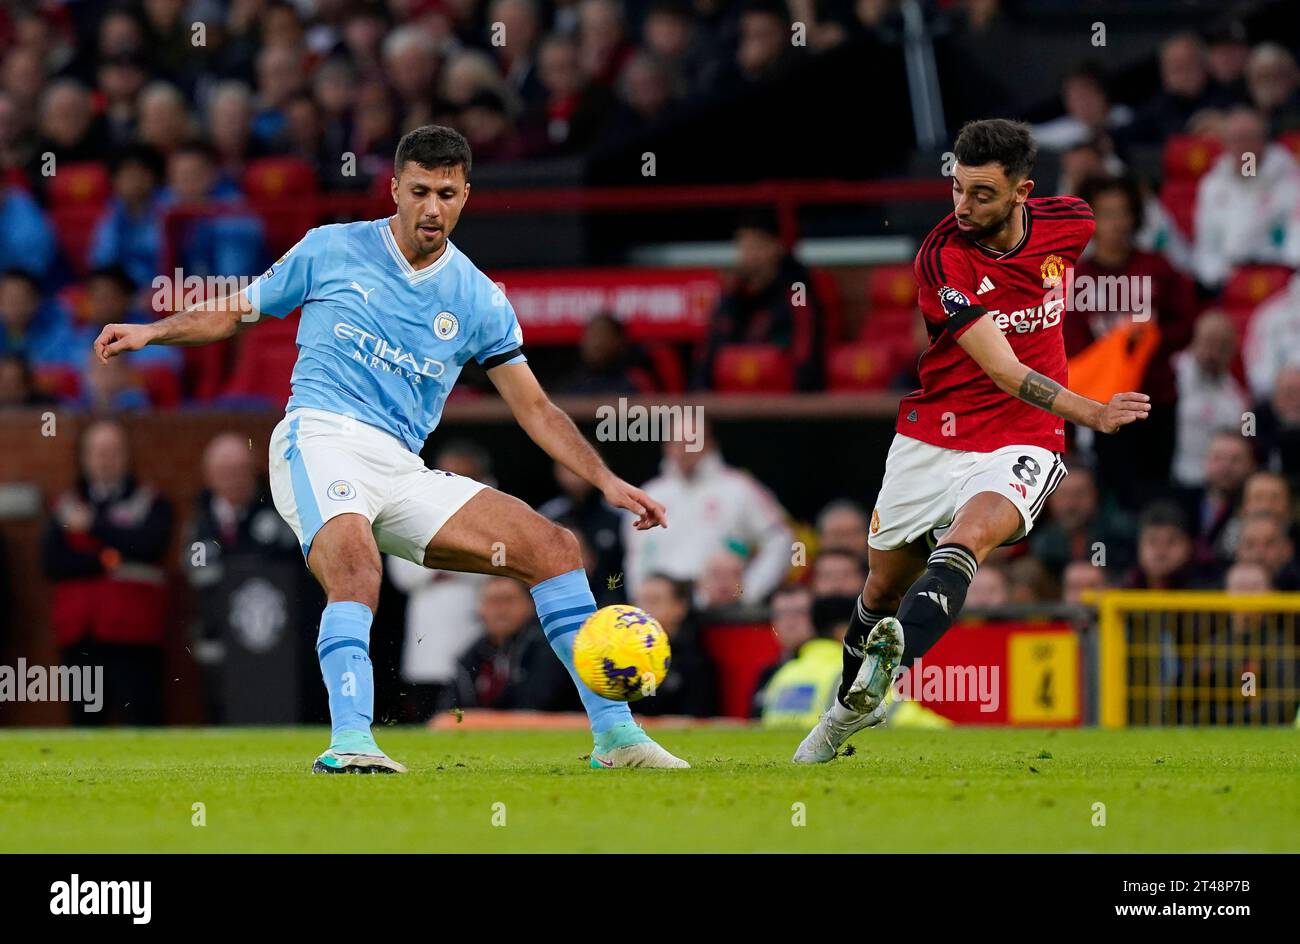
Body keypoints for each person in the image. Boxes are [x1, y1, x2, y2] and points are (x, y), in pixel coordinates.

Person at [93, 125, 687, 772]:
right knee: (356, 562)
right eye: (422, 191)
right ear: (396, 188)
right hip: (319, 436)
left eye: (449, 194)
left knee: (555, 547)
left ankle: (618, 740)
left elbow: (536, 408)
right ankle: (350, 745)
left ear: (466, 195)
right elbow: (235, 312)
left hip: (402, 465)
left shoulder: (480, 298)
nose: (434, 208)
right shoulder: (331, 248)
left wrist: (605, 481)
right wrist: (153, 331)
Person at [794, 119, 1150, 763]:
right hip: (934, 435)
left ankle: (874, 686)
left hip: (1024, 438)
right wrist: (1093, 413)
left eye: (982, 193)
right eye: (956, 188)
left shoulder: (1071, 223)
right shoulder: (941, 257)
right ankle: (846, 708)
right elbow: (1007, 371)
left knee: (968, 540)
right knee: (880, 587)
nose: (963, 206)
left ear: (1023, 192)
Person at [40, 420, 173, 725]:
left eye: (113, 451)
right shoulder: (65, 504)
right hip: (81, 635)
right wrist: (106, 559)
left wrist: (93, 528)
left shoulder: (151, 502)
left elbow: (150, 545)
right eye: (98, 452)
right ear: (84, 457)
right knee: (85, 724)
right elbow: (52, 562)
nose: (105, 459)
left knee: (142, 722)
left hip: (135, 635)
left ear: (126, 456)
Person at [622, 422, 793, 604]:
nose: (684, 449)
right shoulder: (650, 494)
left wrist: (747, 591)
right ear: (667, 446)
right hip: (659, 614)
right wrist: (641, 601)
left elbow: (780, 539)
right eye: (677, 442)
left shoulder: (739, 489)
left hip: (717, 615)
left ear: (710, 444)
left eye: (692, 441)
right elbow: (635, 557)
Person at [442, 576, 578, 712]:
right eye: (492, 601)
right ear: (480, 609)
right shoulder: (471, 657)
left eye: (508, 600)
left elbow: (532, 708)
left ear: (530, 606)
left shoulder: (549, 648)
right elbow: (446, 714)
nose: (501, 610)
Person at [631, 573, 717, 717]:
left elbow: (698, 719)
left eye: (655, 601)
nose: (644, 610)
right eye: (641, 601)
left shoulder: (693, 664)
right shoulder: (620, 658)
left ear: (679, 608)